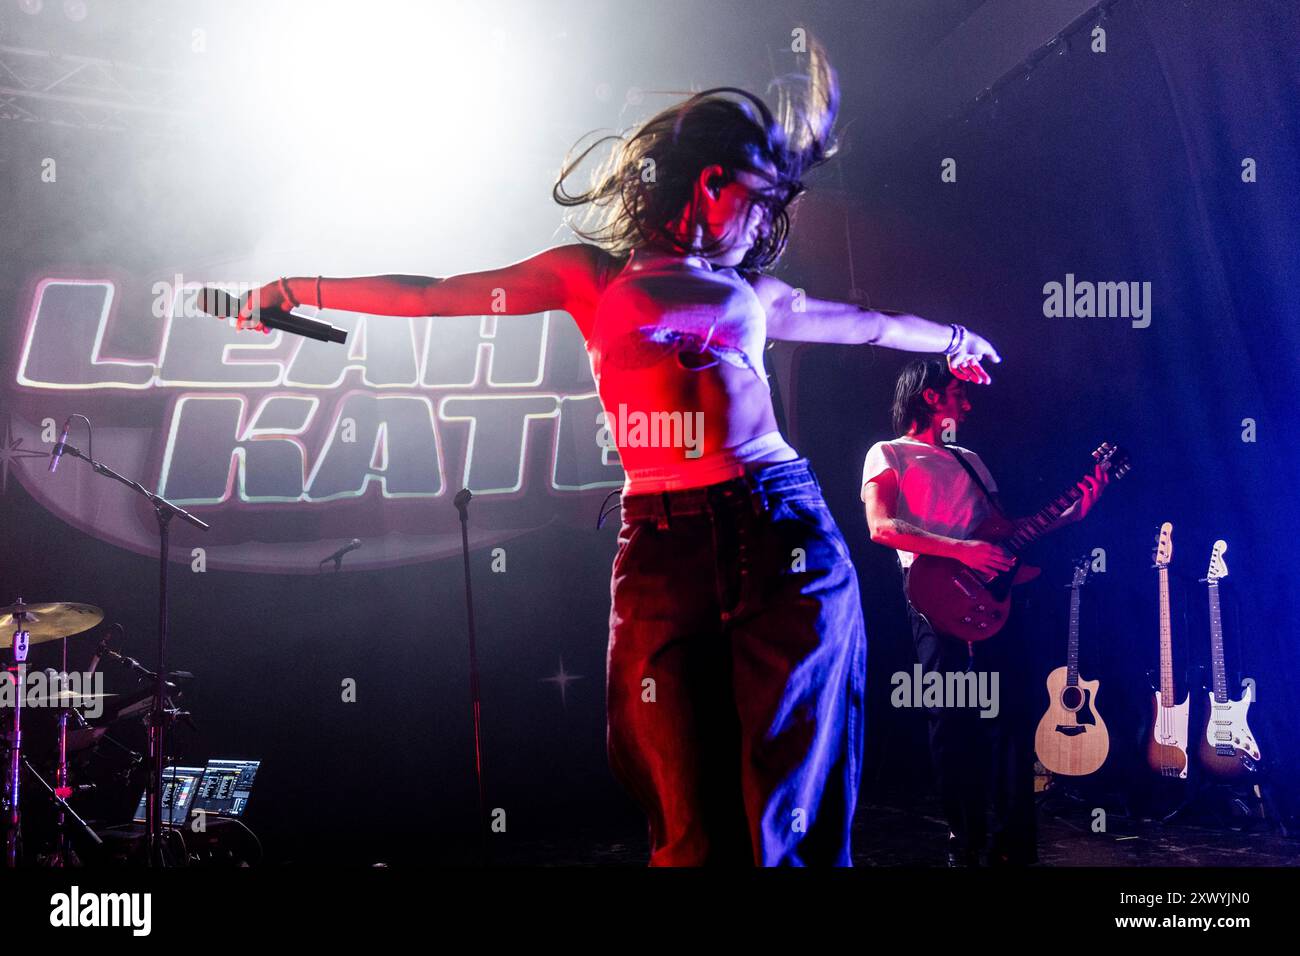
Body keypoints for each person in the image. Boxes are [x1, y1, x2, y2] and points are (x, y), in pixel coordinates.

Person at [227, 42, 1002, 865]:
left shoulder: (754, 295)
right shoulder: (590, 279)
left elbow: (869, 322)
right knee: (684, 813)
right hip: (665, 550)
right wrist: (299, 290)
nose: (766, 227)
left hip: (781, 530)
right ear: (708, 184)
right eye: (759, 202)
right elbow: (434, 295)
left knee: (789, 815)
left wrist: (956, 338)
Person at [861, 359, 1107, 865]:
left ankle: (1016, 839)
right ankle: (964, 838)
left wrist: (1074, 510)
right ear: (931, 397)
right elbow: (881, 527)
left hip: (992, 599)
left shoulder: (971, 459)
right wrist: (961, 551)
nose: (967, 404)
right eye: (958, 394)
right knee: (950, 720)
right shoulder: (887, 453)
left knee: (1008, 716)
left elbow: (1005, 532)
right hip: (933, 597)